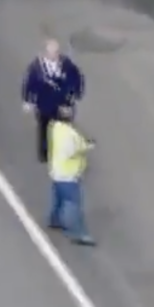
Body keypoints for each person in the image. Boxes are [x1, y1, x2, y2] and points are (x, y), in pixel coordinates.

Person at [22, 39, 85, 163]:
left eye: (56, 52)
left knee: (65, 129)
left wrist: (76, 95)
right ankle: (45, 153)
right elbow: (29, 84)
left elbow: (77, 79)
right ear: (45, 53)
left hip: (63, 105)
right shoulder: (37, 68)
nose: (55, 55)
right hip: (44, 105)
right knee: (45, 129)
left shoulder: (67, 66)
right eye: (52, 52)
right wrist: (28, 100)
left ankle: (64, 153)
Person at [46, 104, 95, 246]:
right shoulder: (72, 135)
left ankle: (55, 221)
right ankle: (79, 234)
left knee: (58, 199)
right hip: (68, 176)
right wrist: (89, 145)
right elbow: (76, 148)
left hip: (56, 172)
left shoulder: (55, 128)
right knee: (74, 205)